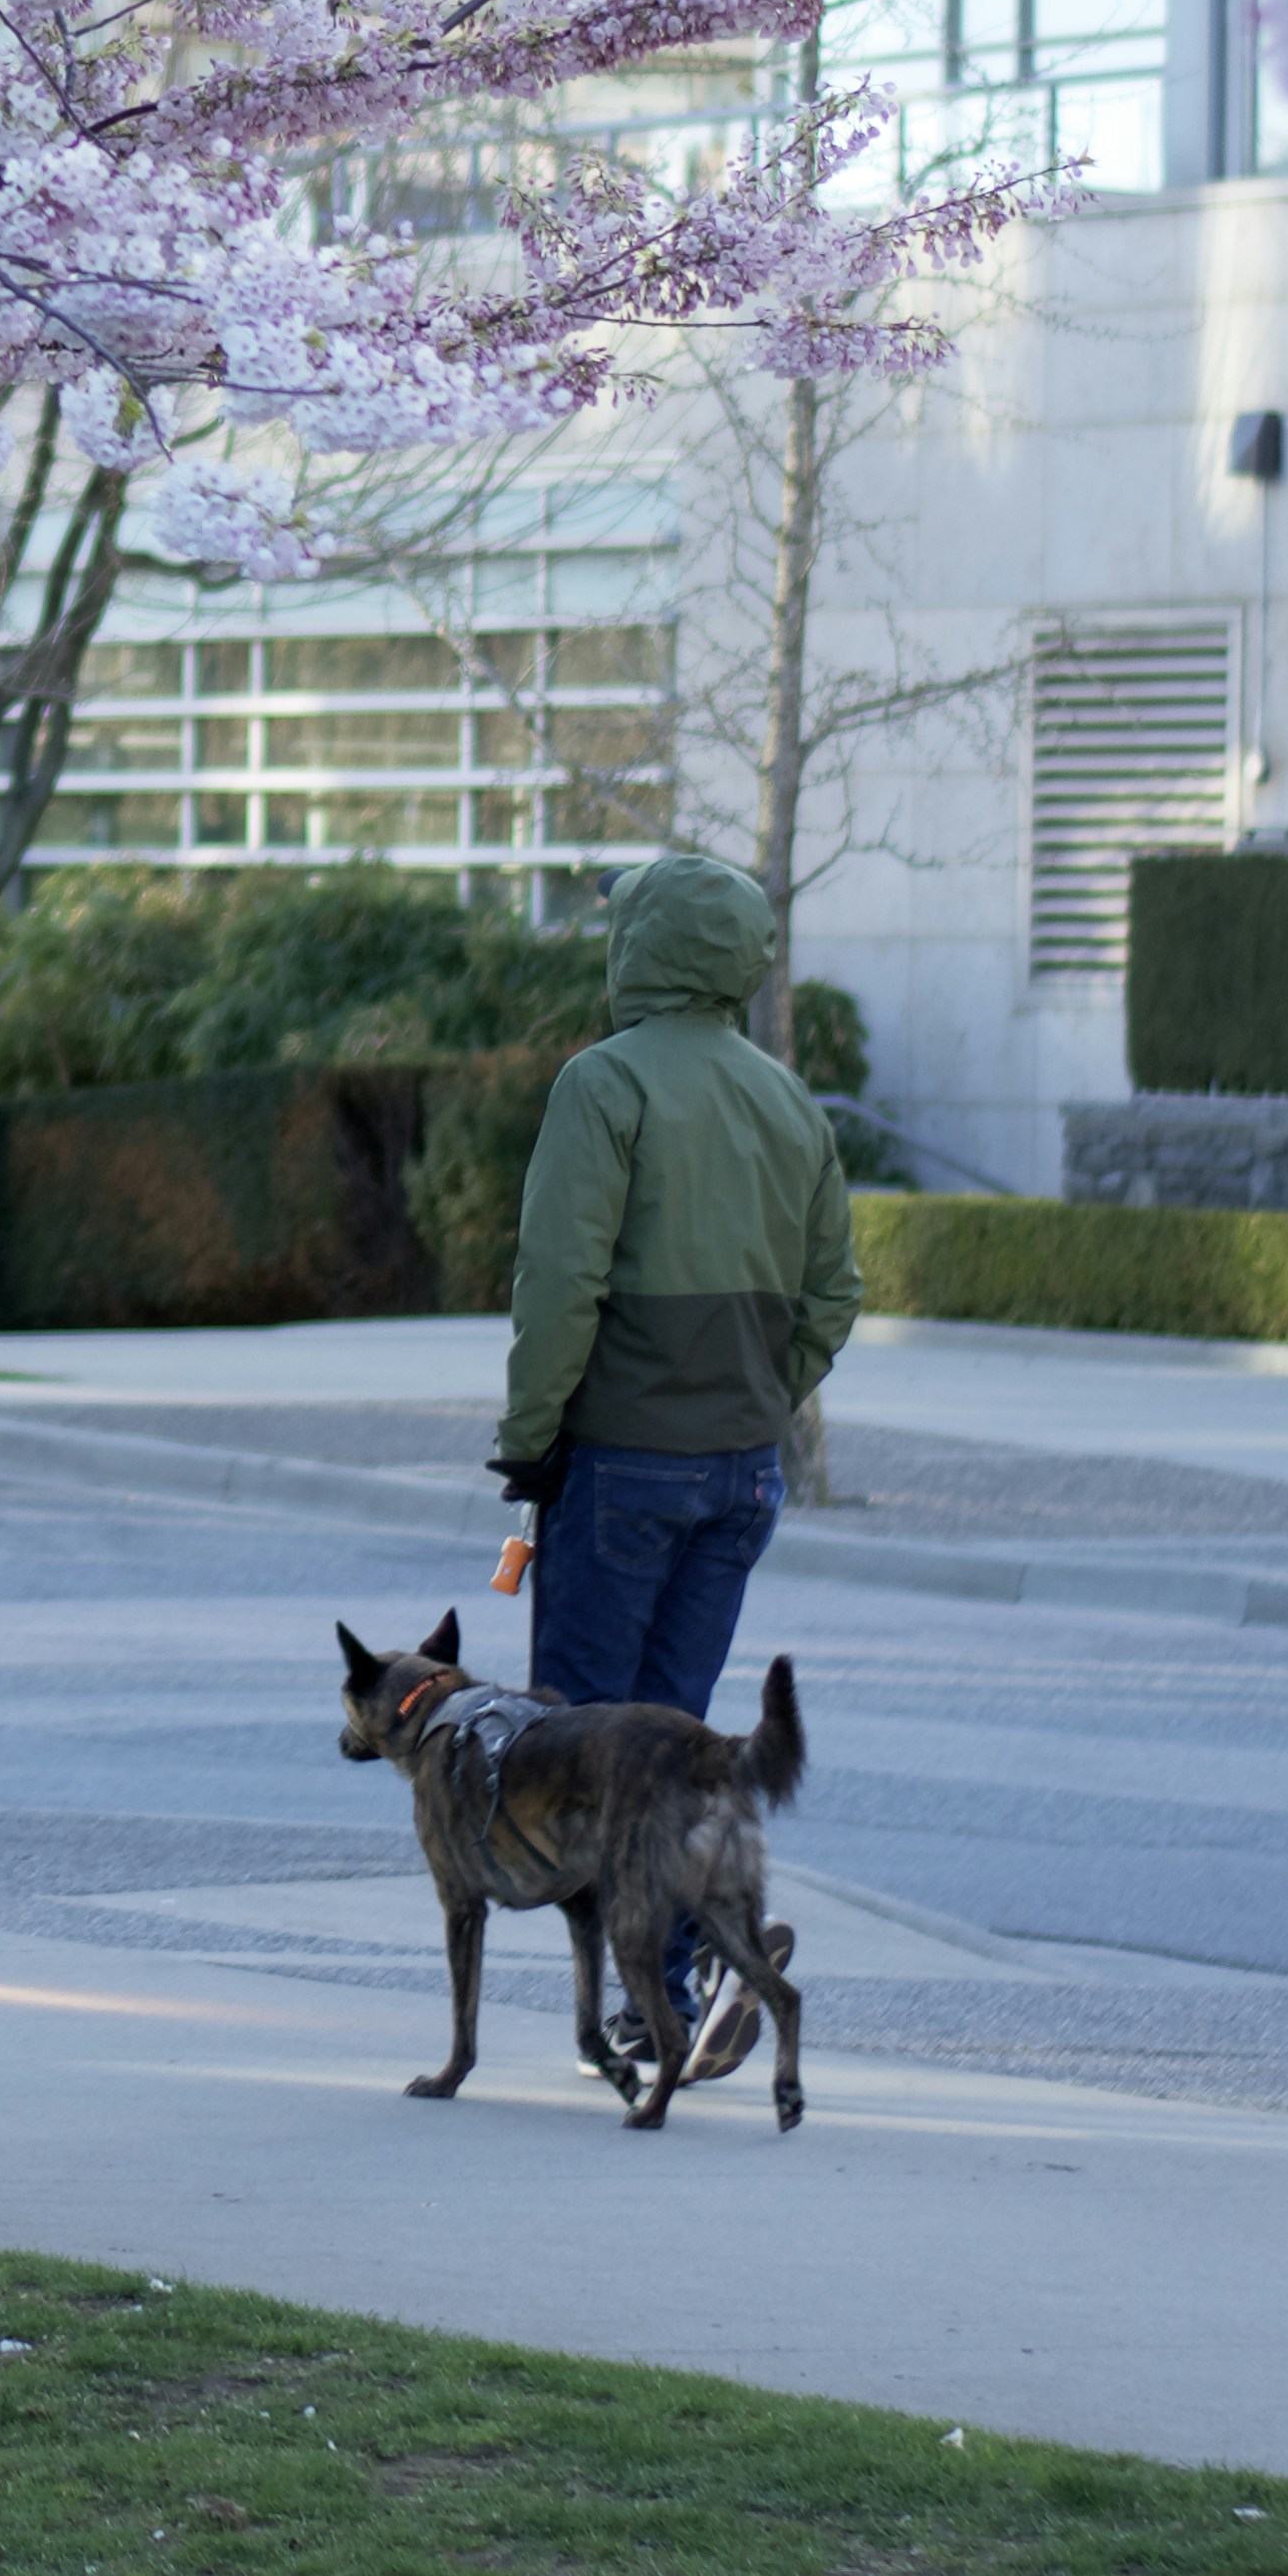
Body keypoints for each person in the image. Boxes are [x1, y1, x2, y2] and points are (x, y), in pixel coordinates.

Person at [489, 850, 863, 2075]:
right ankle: (703, 1975)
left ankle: (650, 1998)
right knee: (680, 1740)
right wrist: (754, 1397)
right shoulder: (788, 1101)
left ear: (643, 946)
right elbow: (835, 1295)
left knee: (585, 1751)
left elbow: (558, 1286)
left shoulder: (604, 1086)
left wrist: (533, 1436)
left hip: (621, 1465)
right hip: (738, 1473)